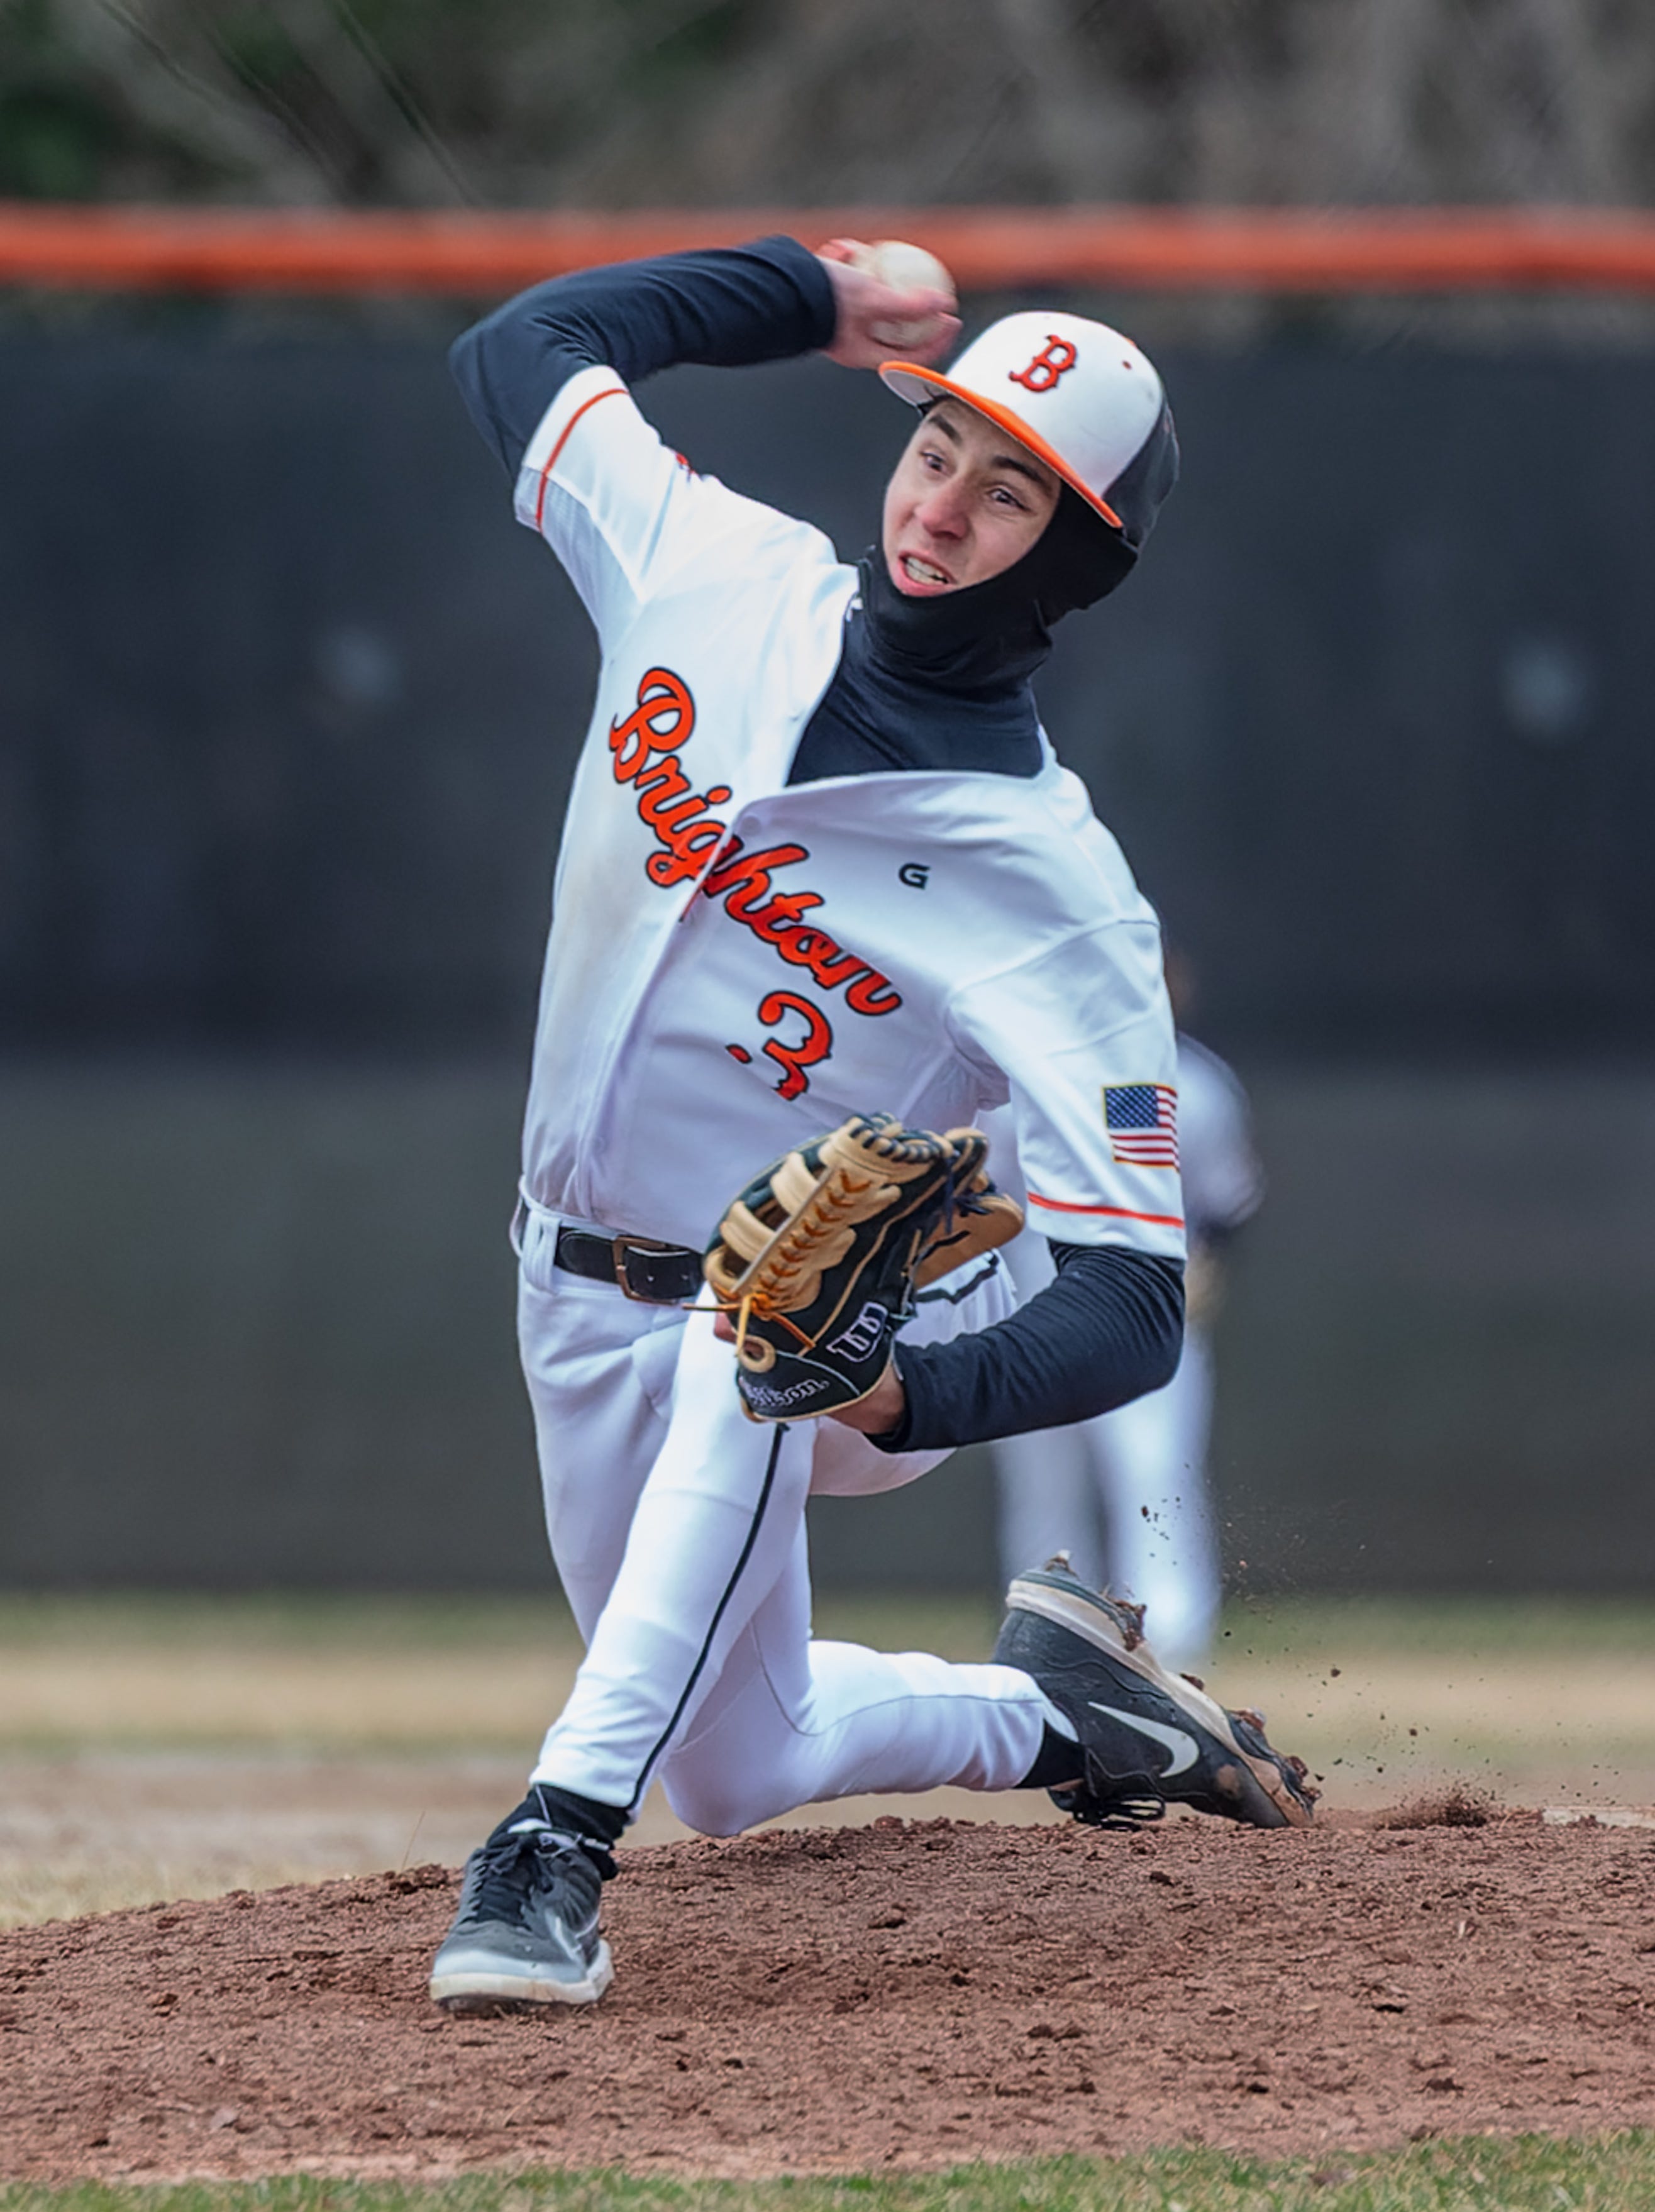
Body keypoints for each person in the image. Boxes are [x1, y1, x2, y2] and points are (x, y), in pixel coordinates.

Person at [428, 236, 1314, 2011]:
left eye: (1010, 493)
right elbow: (527, 344)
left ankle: (547, 1852)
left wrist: (900, 1389)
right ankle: (1065, 1709)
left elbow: (1135, 1302)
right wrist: (810, 293)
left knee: (764, 1319)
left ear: (1083, 558)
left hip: (852, 1329)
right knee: (741, 1764)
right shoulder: (717, 568)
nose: (944, 507)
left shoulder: (1060, 903)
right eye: (937, 452)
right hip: (570, 1289)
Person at [988, 998, 1263, 1670]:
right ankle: (1045, 1637)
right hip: (1034, 1301)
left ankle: (1169, 1646)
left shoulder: (1191, 1083)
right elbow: (982, 1191)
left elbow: (1227, 1201)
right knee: (1041, 1483)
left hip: (1146, 1297)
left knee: (1154, 1472)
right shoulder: (1014, 1079)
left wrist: (1207, 1264)